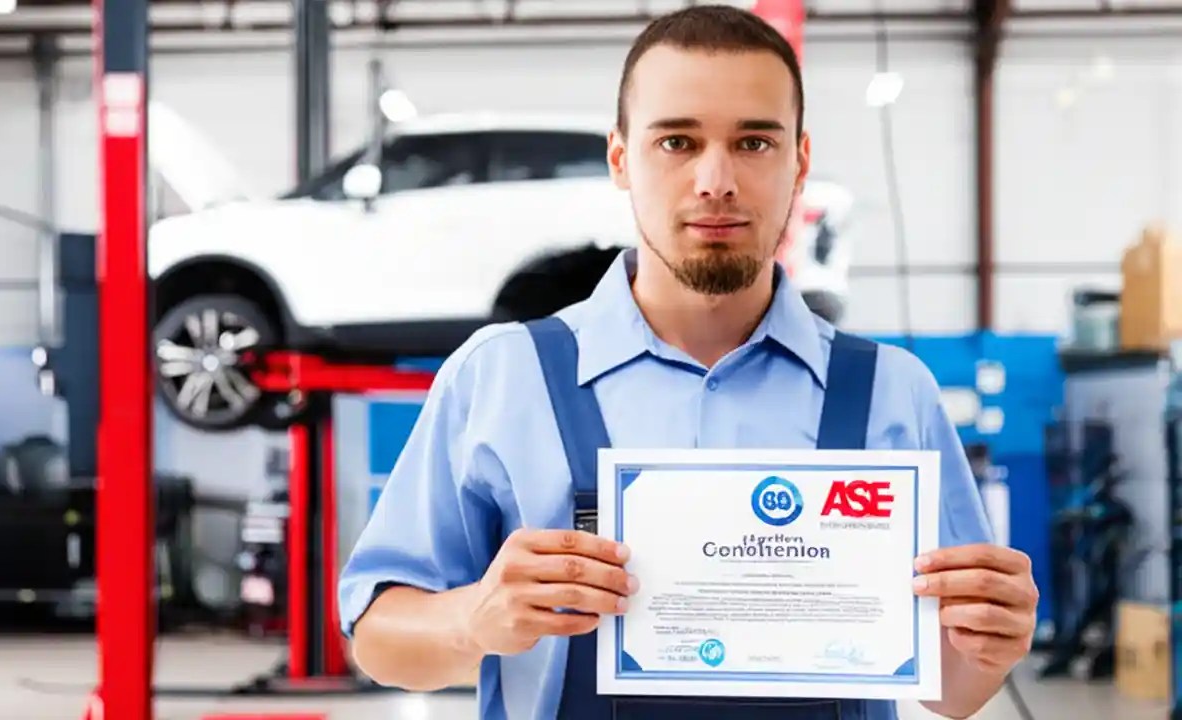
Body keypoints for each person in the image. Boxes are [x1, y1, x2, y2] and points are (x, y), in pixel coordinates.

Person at [337, 5, 1039, 719]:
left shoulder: (892, 392)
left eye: (754, 143)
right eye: (677, 141)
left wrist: (993, 642)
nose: (716, 180)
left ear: (799, 161)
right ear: (621, 159)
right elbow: (378, 639)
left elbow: (951, 689)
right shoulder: (500, 378)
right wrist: (473, 618)